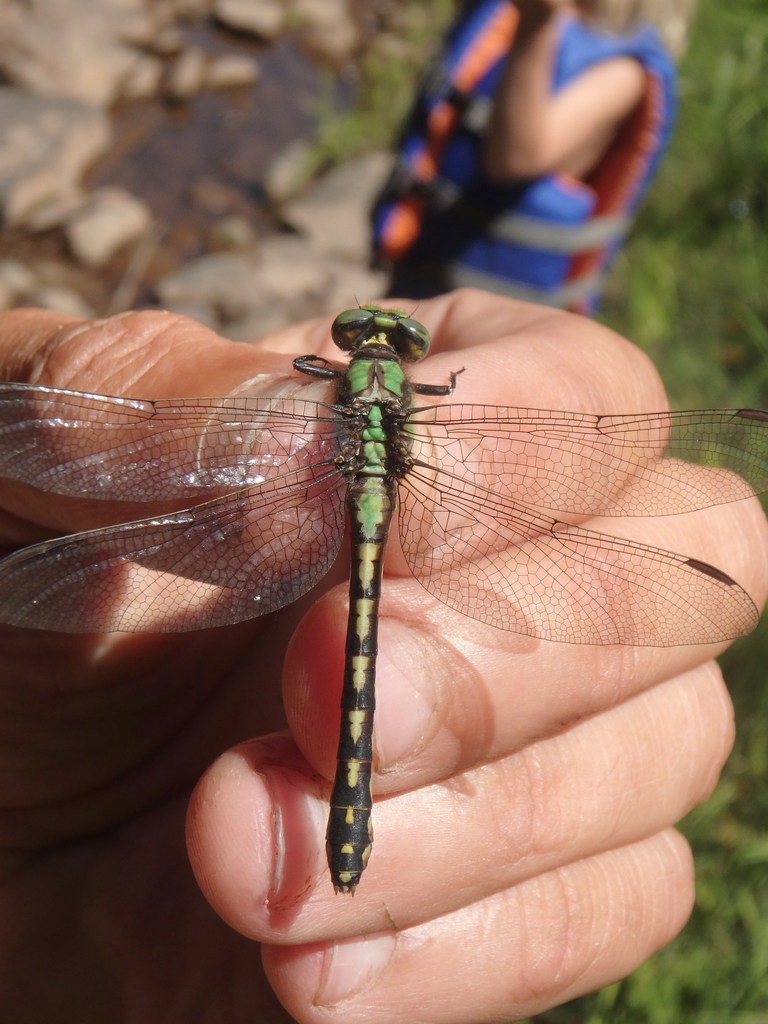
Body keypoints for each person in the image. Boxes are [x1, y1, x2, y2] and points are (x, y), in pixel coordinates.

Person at [0, 289, 765, 1023]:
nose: (374, 344)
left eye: (380, 338)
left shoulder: (328, 380)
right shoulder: (409, 397)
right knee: (389, 654)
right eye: (374, 336)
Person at [373, 0, 696, 313]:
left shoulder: (623, 72)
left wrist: (535, 26)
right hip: (420, 275)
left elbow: (514, 160)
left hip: (502, 316)